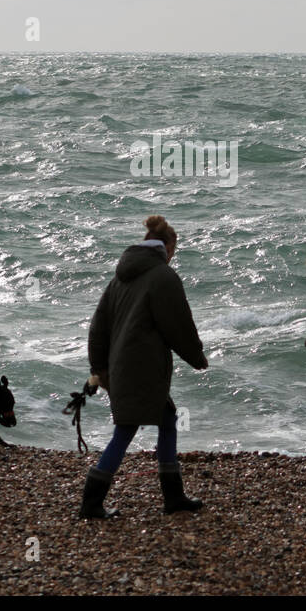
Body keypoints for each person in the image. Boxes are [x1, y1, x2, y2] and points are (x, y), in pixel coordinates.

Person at [80, 215, 209, 519]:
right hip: (143, 369)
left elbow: (97, 326)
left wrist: (98, 367)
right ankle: (91, 502)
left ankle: (174, 497)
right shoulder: (163, 277)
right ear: (168, 246)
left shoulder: (120, 277)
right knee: (125, 430)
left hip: (121, 366)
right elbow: (177, 325)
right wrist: (197, 357)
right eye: (175, 250)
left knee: (167, 419)